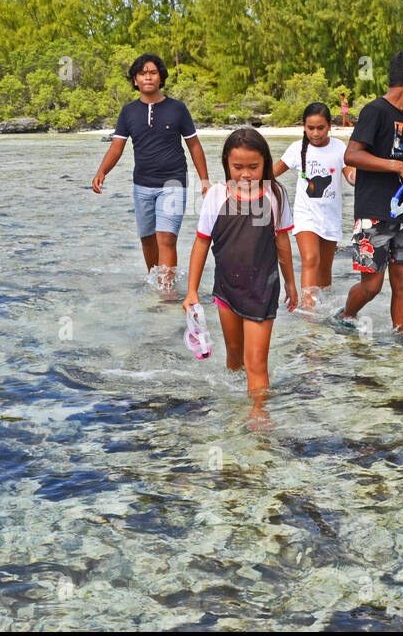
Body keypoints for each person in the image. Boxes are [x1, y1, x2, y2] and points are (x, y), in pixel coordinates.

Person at [183, 128, 297, 422]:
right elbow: (201, 241)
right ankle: (232, 409)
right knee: (234, 358)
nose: (246, 174)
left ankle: (259, 412)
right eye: (238, 167)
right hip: (226, 289)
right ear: (226, 163)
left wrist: (291, 284)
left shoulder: (275, 195)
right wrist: (192, 291)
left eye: (254, 167)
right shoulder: (216, 195)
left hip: (263, 289)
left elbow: (283, 241)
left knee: (256, 362)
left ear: (265, 164)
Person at [92, 54, 210, 291]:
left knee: (166, 238)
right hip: (142, 184)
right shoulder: (128, 112)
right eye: (142, 73)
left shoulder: (178, 109)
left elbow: (194, 144)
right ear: (135, 80)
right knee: (147, 238)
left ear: (161, 77)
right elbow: (117, 146)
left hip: (173, 182)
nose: (148, 76)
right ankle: (155, 282)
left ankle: (166, 292)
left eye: (153, 72)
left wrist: (204, 179)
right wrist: (102, 171)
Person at [338, 50, 403, 332]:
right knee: (372, 285)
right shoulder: (375, 110)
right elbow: (352, 155)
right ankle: (345, 316)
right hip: (373, 212)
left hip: (402, 212)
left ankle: (400, 348)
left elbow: (399, 162)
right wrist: (398, 167)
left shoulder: (401, 117)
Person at [273, 103, 355, 311]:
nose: (315, 133)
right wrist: (242, 181)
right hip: (305, 215)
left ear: (330, 126)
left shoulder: (339, 148)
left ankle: (324, 309)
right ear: (304, 127)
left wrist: (365, 174)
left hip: (331, 216)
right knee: (310, 258)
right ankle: (307, 313)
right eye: (310, 128)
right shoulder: (296, 149)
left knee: (325, 268)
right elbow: (270, 173)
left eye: (320, 128)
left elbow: (352, 177)